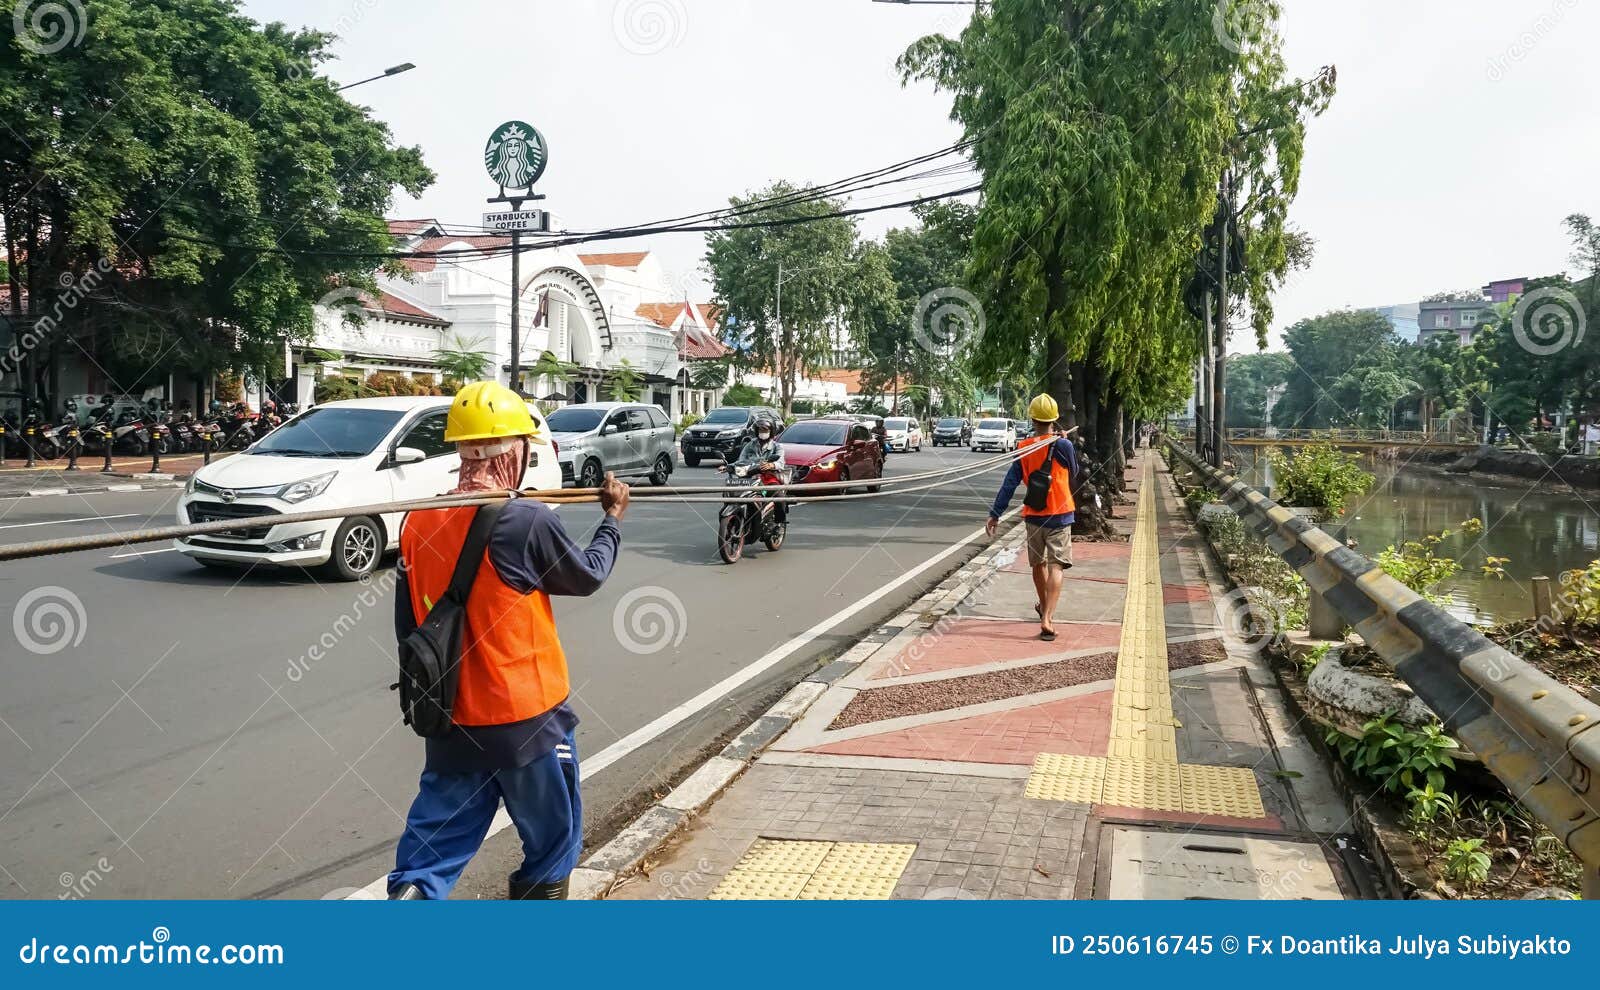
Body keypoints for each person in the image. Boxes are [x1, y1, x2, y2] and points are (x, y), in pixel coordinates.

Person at [387, 381, 629, 901]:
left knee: (428, 860)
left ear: (461, 451)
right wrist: (611, 519)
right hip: (528, 721)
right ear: (515, 451)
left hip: (451, 720)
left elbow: (409, 627)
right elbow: (587, 576)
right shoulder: (526, 519)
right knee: (550, 850)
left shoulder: (417, 520)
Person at [985, 394, 1080, 641]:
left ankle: (1042, 606)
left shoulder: (1023, 447)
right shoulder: (1062, 445)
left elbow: (1009, 483)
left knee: (1038, 564)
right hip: (1060, 514)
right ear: (1055, 419)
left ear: (1033, 419)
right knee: (1057, 565)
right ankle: (1047, 617)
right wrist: (1065, 443)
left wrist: (995, 514)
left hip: (1034, 517)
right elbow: (1075, 472)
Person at [722, 416, 788, 524]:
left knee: (779, 495)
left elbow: (780, 462)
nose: (762, 432)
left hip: (768, 479)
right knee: (731, 492)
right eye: (760, 430)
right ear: (757, 431)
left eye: (765, 430)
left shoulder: (777, 447)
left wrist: (772, 465)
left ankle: (779, 522)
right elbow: (741, 460)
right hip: (749, 478)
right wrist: (729, 466)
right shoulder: (750, 445)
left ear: (771, 432)